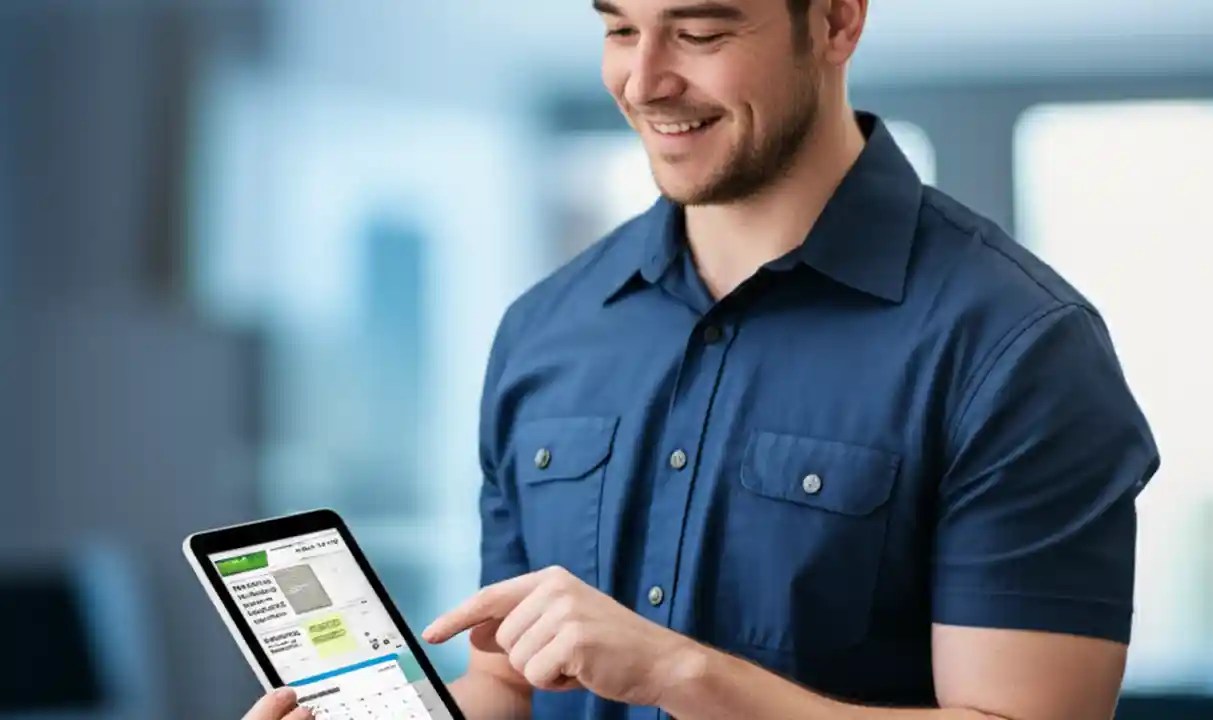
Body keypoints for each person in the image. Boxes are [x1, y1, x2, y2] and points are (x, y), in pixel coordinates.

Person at [245, 0, 1159, 718]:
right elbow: (511, 689)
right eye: (619, 28)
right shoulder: (544, 330)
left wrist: (684, 674)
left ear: (837, 20)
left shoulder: (1015, 346)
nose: (645, 81)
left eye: (701, 31)